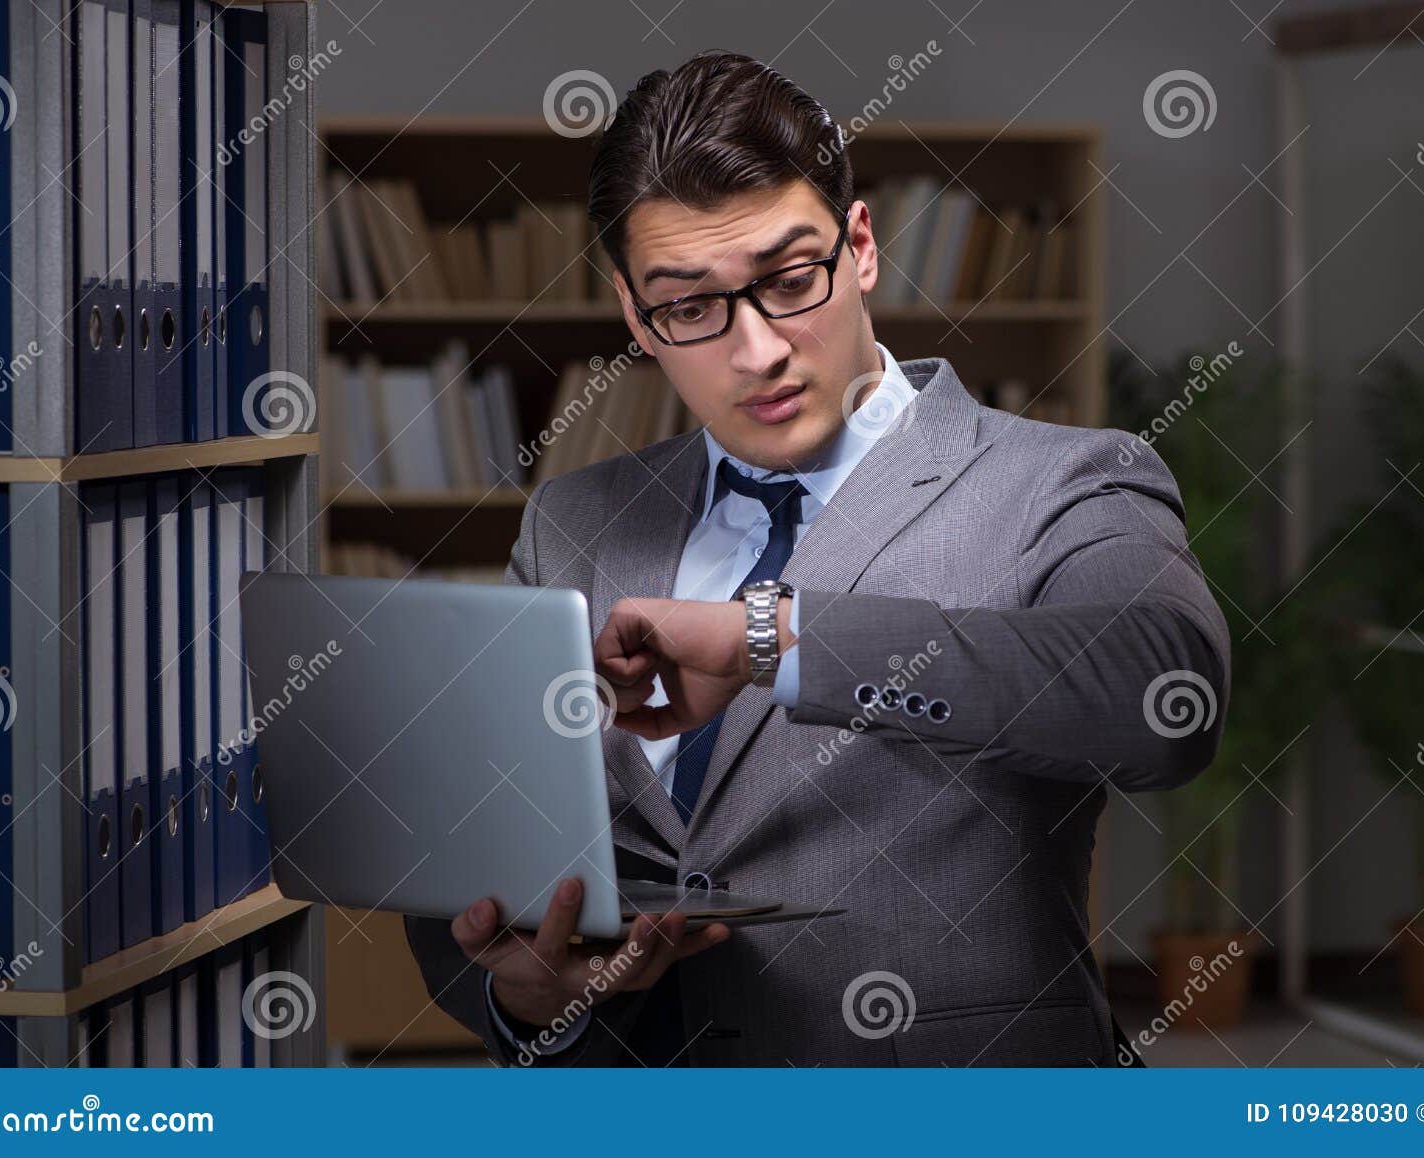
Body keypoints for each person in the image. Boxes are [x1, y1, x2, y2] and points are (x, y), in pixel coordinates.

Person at [406, 49, 1230, 1066]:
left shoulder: (1062, 481)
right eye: (691, 307)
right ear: (633, 314)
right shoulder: (572, 521)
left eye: (790, 280)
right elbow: (476, 853)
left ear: (861, 247)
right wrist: (533, 1003)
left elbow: (1163, 694)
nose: (755, 351)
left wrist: (767, 637)